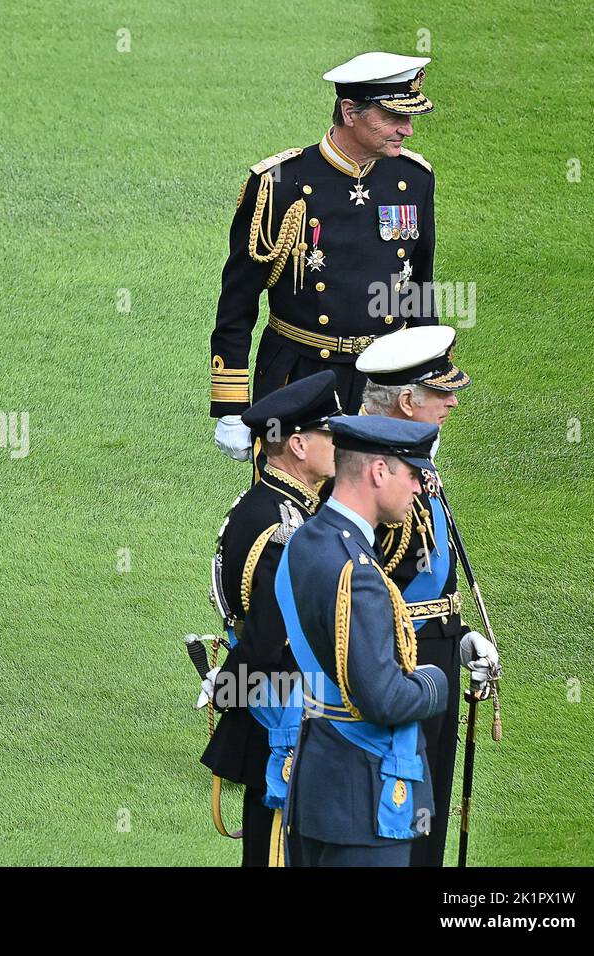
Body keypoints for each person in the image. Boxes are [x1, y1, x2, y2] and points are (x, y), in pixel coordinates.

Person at [210, 51, 439, 464]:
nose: (407, 130)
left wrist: (425, 396)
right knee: (293, 512)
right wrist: (230, 407)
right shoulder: (279, 183)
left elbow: (419, 290)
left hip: (382, 382)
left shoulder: (413, 178)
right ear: (350, 112)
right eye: (393, 118)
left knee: (381, 515)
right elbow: (237, 302)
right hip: (298, 378)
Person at [356, 325, 500, 865]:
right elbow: (363, 587)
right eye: (442, 393)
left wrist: (457, 636)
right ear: (407, 400)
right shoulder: (373, 472)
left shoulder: (412, 461)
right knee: (394, 815)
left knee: (427, 822)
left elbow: (427, 574)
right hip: (395, 666)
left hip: (431, 655)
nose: (453, 402)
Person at [276, 415, 449, 866]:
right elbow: (385, 699)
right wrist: (437, 681)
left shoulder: (304, 541)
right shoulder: (360, 574)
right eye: (412, 474)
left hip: (316, 786)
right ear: (378, 471)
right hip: (367, 799)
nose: (418, 489)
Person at [199, 371, 339, 866]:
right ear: (298, 445)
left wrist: (227, 683)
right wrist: (229, 687)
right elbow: (267, 638)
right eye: (329, 433)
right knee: (279, 849)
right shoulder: (285, 526)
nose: (338, 443)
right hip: (285, 712)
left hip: (271, 702)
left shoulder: (266, 504)